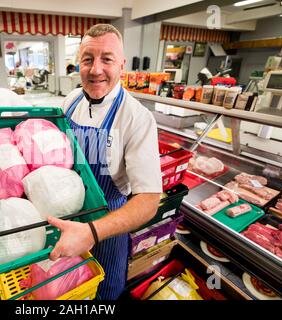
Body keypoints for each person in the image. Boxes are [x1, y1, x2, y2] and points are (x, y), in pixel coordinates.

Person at [47, 24, 162, 300]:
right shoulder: (70, 101)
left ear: (121, 64)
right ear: (79, 63)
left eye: (107, 59)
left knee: (102, 295)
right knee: (67, 292)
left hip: (108, 229)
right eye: (88, 59)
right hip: (65, 220)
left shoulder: (137, 118)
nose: (96, 69)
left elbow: (149, 200)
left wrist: (92, 232)